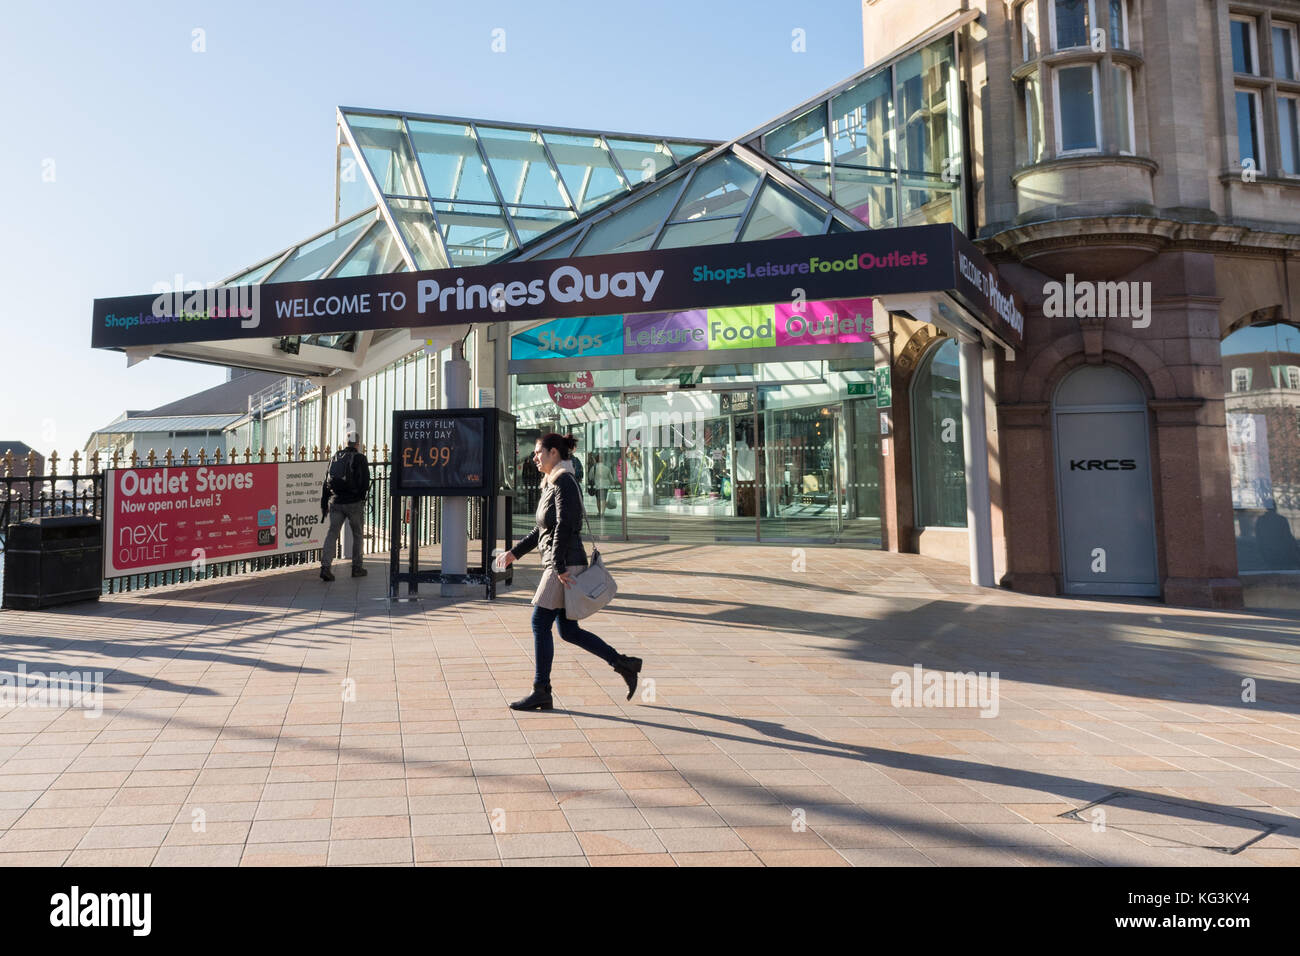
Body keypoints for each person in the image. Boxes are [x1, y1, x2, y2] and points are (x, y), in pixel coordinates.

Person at [500, 433, 642, 710]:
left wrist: (559, 565)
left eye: (538, 451)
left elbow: (567, 523)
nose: (534, 457)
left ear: (554, 452)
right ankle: (624, 663)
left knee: (539, 623)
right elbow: (542, 530)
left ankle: (542, 690)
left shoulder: (564, 480)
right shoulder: (551, 483)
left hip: (563, 564)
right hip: (561, 562)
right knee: (568, 631)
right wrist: (513, 553)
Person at [319, 431, 370, 581]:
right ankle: (357, 568)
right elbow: (365, 482)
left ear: (345, 443)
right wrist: (360, 498)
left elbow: (326, 482)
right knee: (358, 534)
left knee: (332, 534)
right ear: (358, 444)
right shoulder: (360, 458)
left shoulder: (335, 456)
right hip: (353, 503)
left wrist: (324, 503)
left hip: (336, 502)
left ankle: (325, 567)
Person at [592, 452, 615, 517]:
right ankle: (603, 513)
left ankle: (599, 512)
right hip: (605, 486)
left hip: (597, 486)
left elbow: (590, 477)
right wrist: (612, 484)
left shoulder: (593, 468)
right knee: (603, 499)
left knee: (598, 499)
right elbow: (610, 478)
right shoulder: (606, 468)